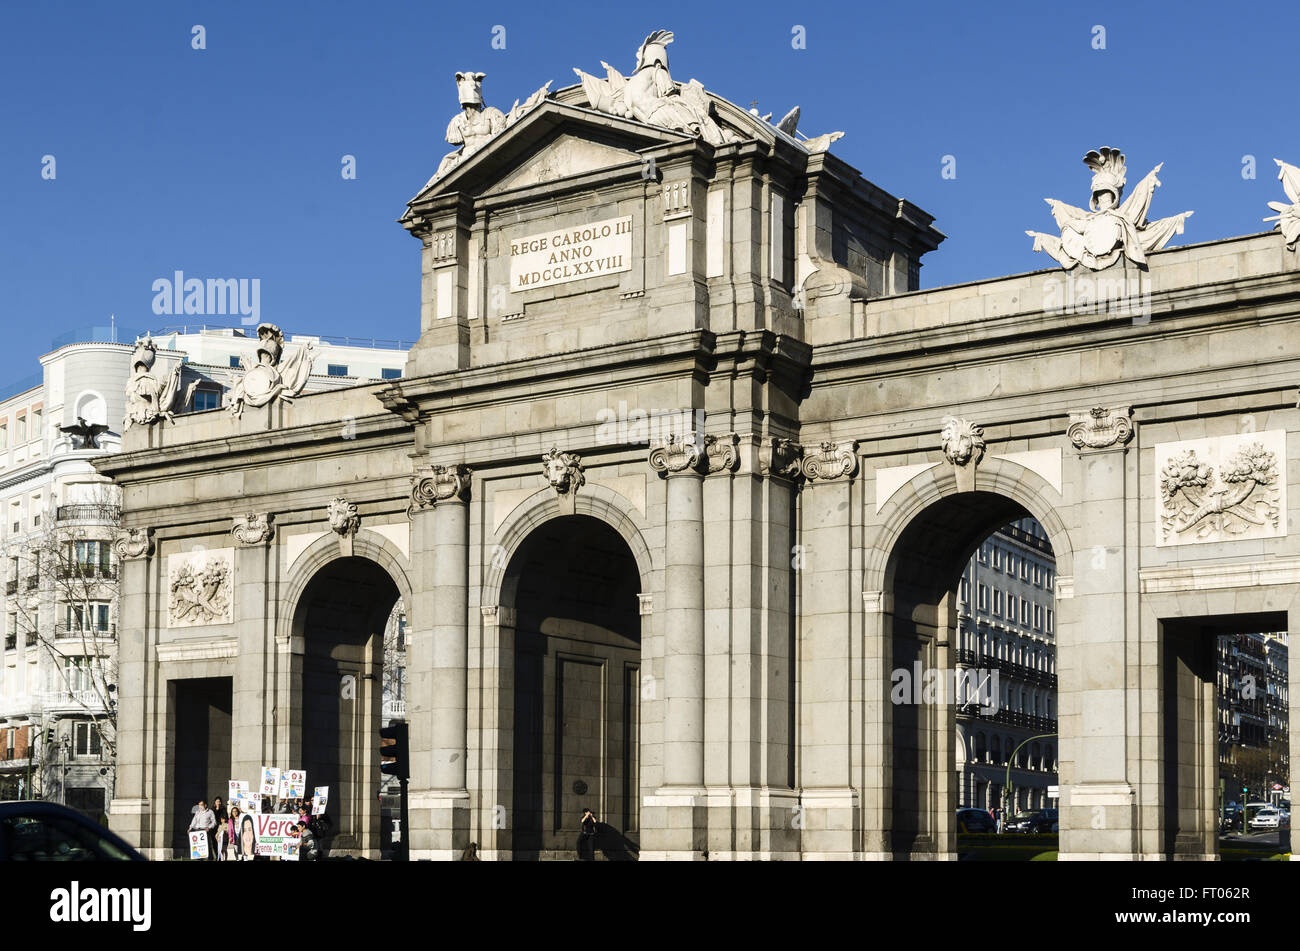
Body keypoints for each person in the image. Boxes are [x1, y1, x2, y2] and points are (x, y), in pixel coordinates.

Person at [211, 796, 227, 862]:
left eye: (219, 801)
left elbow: (225, 817)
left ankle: (220, 857)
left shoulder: (223, 809)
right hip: (213, 828)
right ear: (215, 802)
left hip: (220, 827)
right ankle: (217, 856)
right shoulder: (212, 809)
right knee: (214, 843)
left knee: (220, 843)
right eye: (217, 801)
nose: (218, 803)